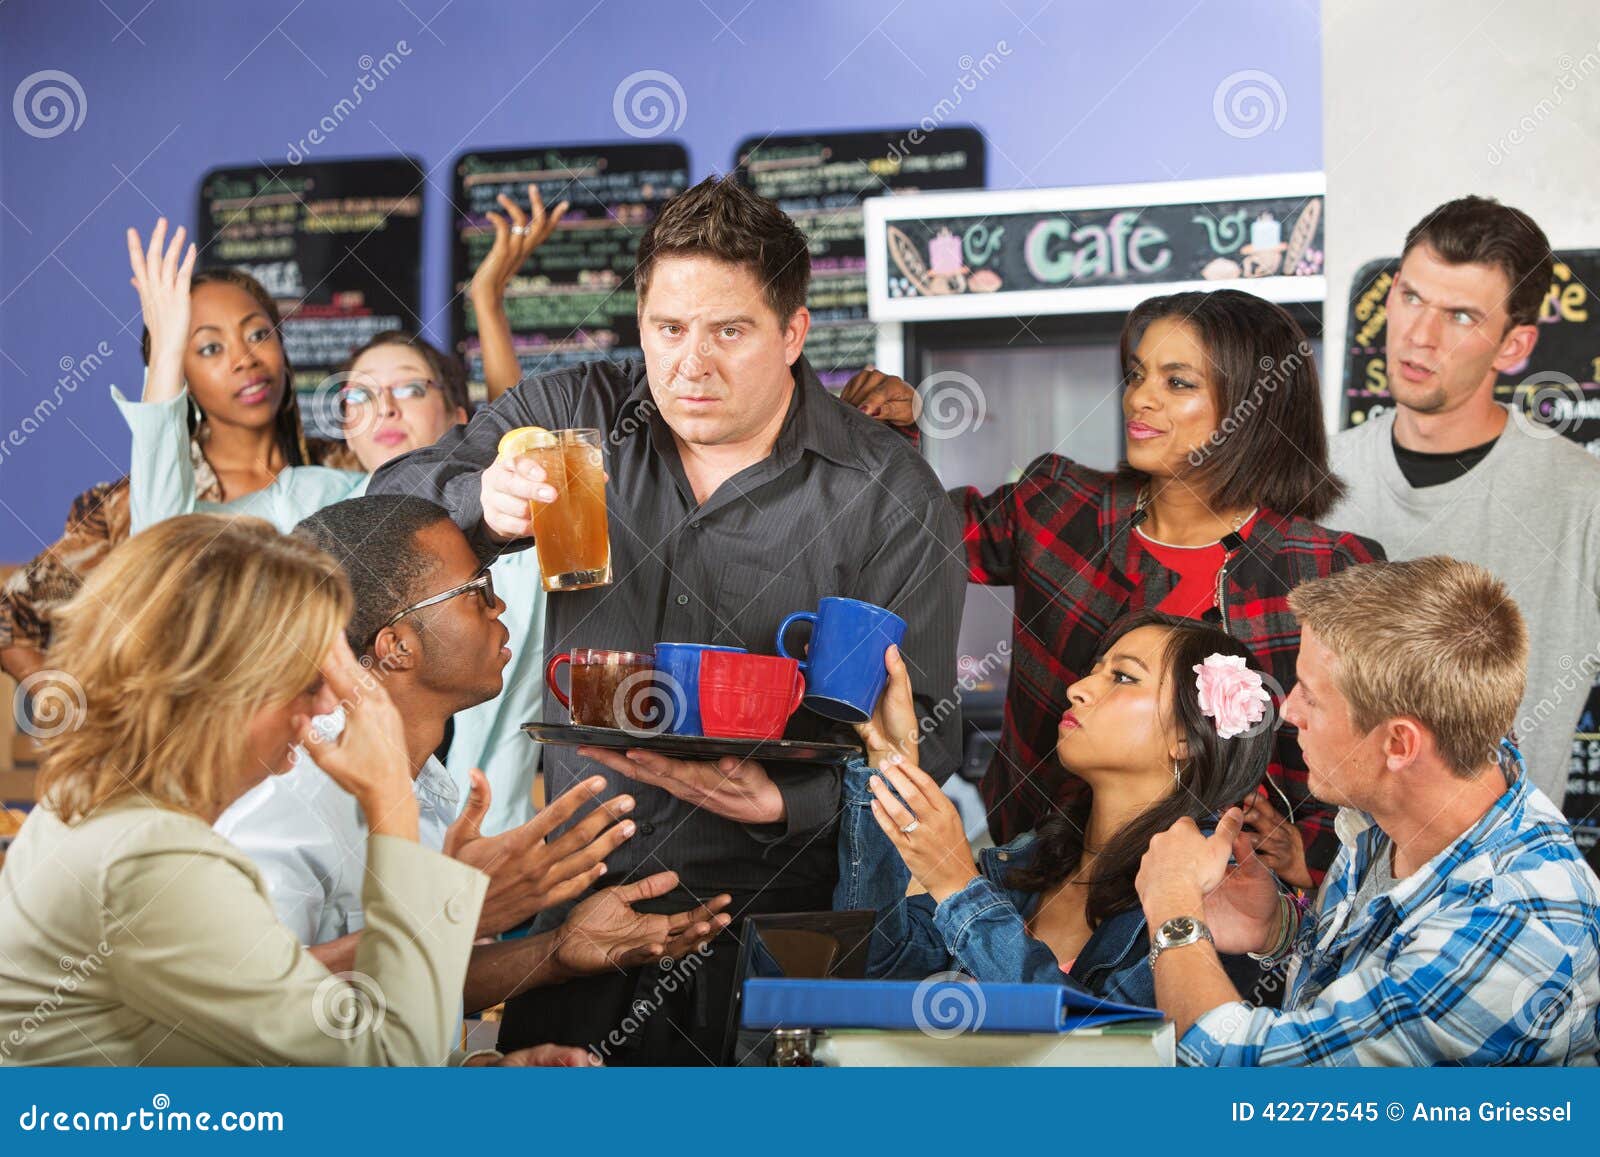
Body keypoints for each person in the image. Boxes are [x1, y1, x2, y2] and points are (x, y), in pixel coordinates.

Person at [370, 174, 966, 1064]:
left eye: (730, 331)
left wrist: (786, 798)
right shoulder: (574, 416)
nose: (692, 363)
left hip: (793, 927)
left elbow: (933, 731)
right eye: (668, 328)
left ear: (794, 331)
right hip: (586, 912)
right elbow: (383, 512)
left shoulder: (887, 491)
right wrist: (479, 502)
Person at [844, 290, 1383, 874]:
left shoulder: (1329, 569)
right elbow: (913, 537)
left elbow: (1360, 750)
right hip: (1042, 874)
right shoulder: (1057, 505)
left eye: (1177, 383)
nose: (1138, 398)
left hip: (1223, 900)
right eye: (1136, 374)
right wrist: (889, 437)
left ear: (1254, 406)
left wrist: (1313, 855)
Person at [0, 514, 509, 1064]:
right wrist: (390, 799)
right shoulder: (149, 857)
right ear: (221, 687)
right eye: (308, 680)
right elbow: (384, 1076)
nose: (322, 707)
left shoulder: (101, 805)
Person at [111, 216, 553, 833]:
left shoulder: (517, 526)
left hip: (493, 854)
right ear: (344, 424)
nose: (386, 407)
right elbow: (164, 551)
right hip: (342, 846)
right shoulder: (314, 511)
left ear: (458, 416)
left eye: (408, 387)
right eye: (360, 395)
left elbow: (522, 442)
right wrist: (166, 351)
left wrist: (486, 301)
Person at [217, 495, 731, 1016]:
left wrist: (553, 954)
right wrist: (457, 914)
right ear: (399, 646)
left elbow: (399, 987)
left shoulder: (427, 788)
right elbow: (239, 998)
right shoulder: (292, 791)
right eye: (477, 591)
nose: (499, 606)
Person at [1135, 557, 1600, 1066]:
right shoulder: (1393, 814)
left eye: (1311, 697)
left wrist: (1173, 908)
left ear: (1398, 744)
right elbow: (1371, 987)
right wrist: (1280, 930)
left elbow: (1241, 1085)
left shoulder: (1517, 929)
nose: (1287, 711)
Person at [834, 614, 1281, 1006]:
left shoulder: (1207, 884)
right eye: (1094, 671)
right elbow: (874, 967)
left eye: (1123, 677)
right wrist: (888, 766)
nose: (1078, 689)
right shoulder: (1032, 857)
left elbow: (1106, 1055)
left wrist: (958, 884)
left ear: (1186, 737)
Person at [1319, 195, 1600, 808]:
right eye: (1412, 296)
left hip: (1495, 886)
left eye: (1462, 316)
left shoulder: (1585, 500)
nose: (1420, 336)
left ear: (1513, 346)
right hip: (1317, 879)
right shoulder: (1313, 477)